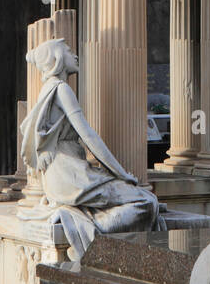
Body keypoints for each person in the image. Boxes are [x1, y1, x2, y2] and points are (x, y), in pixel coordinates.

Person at [20, 36, 164, 260]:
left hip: (62, 176)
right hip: (71, 177)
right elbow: (88, 136)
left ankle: (88, 225)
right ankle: (92, 233)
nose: (74, 54)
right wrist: (120, 173)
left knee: (145, 199)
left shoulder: (48, 89)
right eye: (68, 51)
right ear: (57, 58)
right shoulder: (61, 89)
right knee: (145, 202)